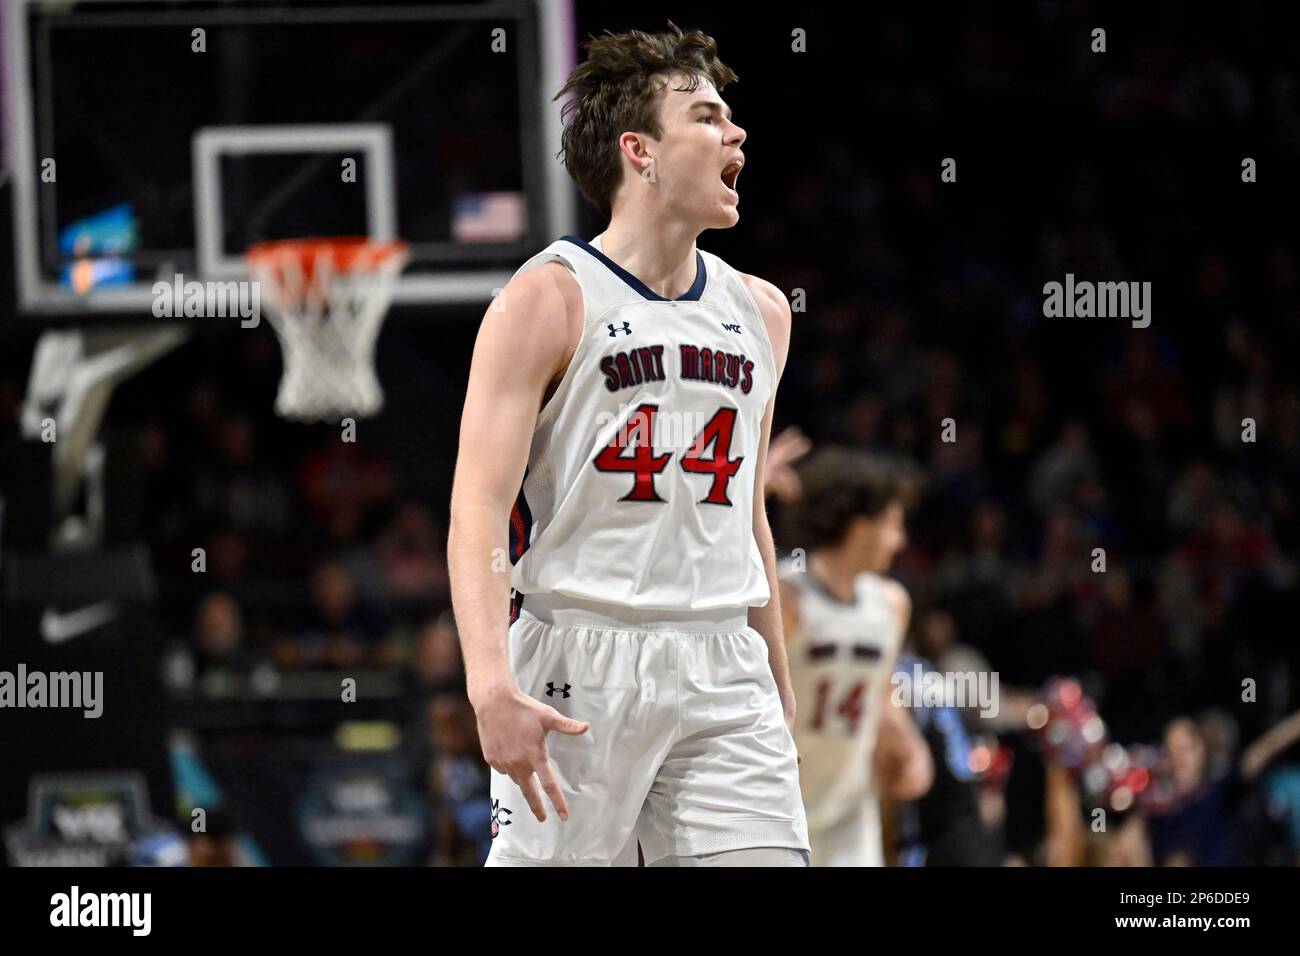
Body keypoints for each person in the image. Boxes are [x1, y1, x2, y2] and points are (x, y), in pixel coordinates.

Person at [448, 22, 808, 867]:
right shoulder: (545, 300)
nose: (736, 133)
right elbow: (477, 513)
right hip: (579, 655)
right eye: (708, 118)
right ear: (639, 150)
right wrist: (489, 686)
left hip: (725, 661)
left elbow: (749, 519)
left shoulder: (762, 311)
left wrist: (777, 685)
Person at [779, 447, 932, 865]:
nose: (900, 540)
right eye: (893, 524)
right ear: (862, 527)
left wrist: (911, 744)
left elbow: (880, 695)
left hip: (850, 809)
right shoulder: (785, 597)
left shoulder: (891, 604)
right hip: (779, 807)